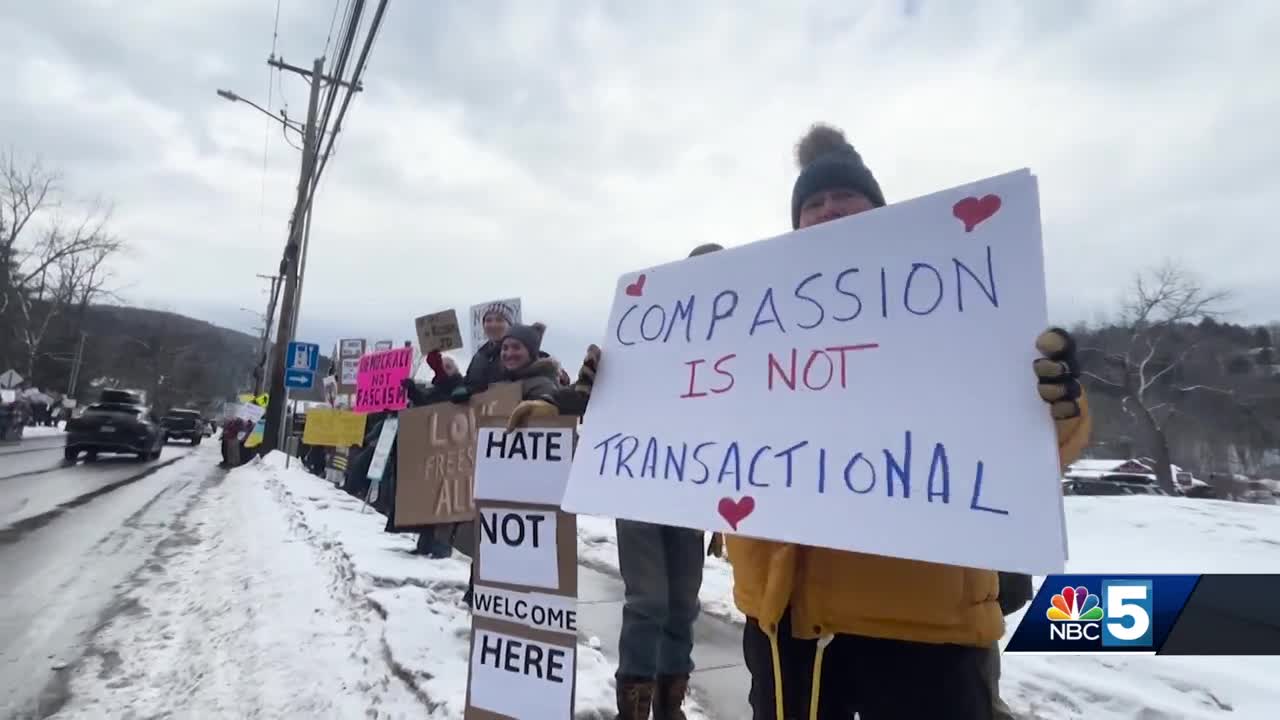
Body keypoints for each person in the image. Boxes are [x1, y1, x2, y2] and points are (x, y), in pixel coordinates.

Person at [724, 123, 1092, 719]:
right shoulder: (753, 325)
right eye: (812, 203)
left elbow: (1036, 441)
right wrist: (614, 391)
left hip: (923, 627)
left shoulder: (955, 296)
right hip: (780, 622)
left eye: (845, 198)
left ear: (880, 210)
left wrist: (1058, 399)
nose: (827, 211)